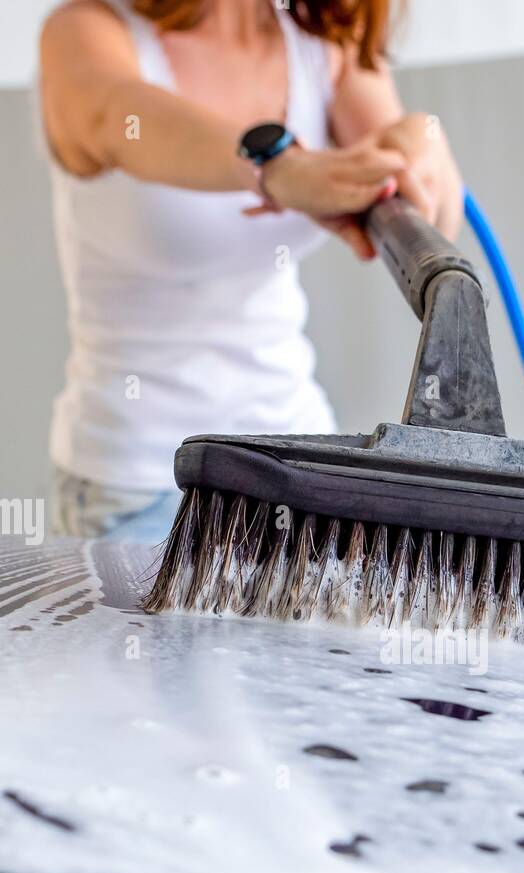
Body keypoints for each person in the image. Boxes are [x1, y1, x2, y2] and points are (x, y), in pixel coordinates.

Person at [40, 0, 462, 541]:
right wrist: (276, 165)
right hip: (139, 479)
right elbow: (112, 115)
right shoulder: (86, 31)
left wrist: (421, 144)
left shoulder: (322, 37)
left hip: (298, 455)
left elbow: (396, 165)